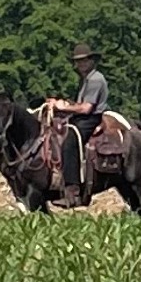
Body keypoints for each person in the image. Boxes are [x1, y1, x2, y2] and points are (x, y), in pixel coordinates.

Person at [43, 43, 110, 206]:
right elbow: (79, 104)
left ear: (92, 61)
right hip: (83, 117)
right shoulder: (86, 79)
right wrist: (62, 104)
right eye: (78, 62)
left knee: (70, 141)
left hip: (92, 118)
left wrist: (63, 107)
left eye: (84, 61)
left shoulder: (95, 80)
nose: (80, 65)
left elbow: (86, 108)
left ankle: (72, 191)